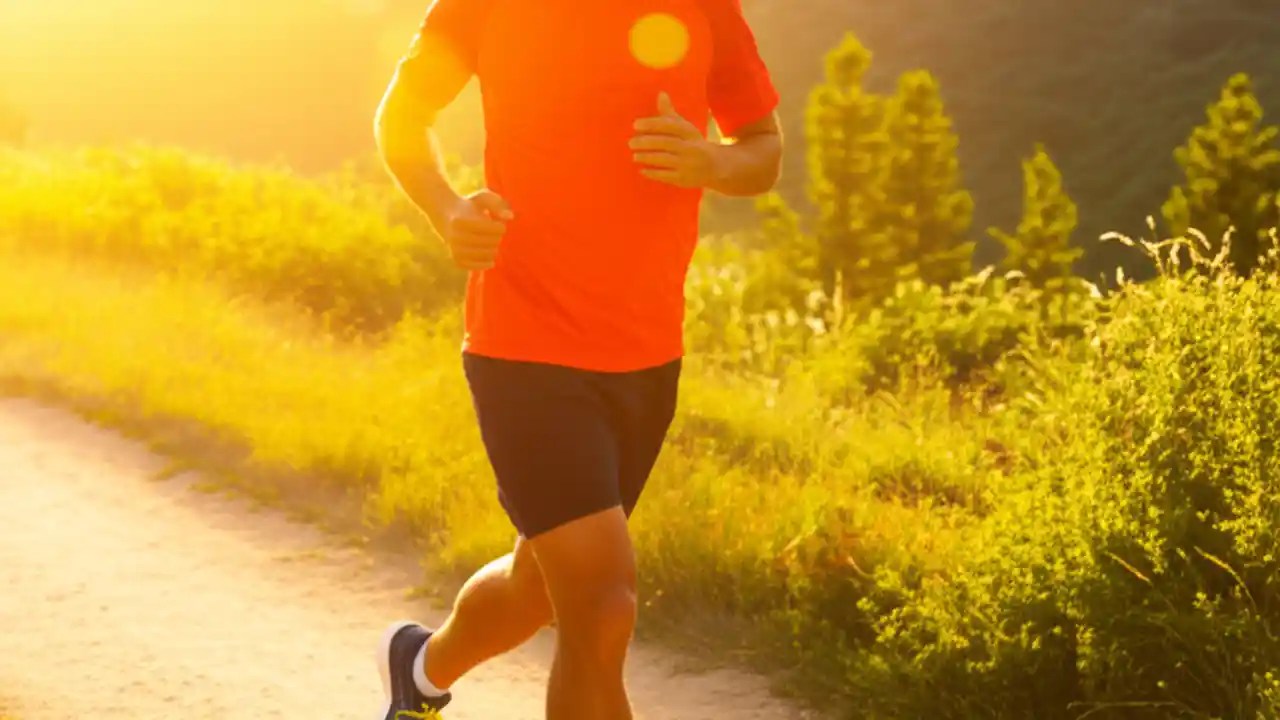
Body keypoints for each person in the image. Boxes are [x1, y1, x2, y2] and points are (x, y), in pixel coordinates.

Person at [372, 0, 782, 717]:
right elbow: (403, 116)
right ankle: (421, 671)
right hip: (523, 342)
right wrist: (447, 210)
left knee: (541, 586)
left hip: (648, 354)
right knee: (602, 607)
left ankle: (421, 668)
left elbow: (763, 150)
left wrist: (709, 160)